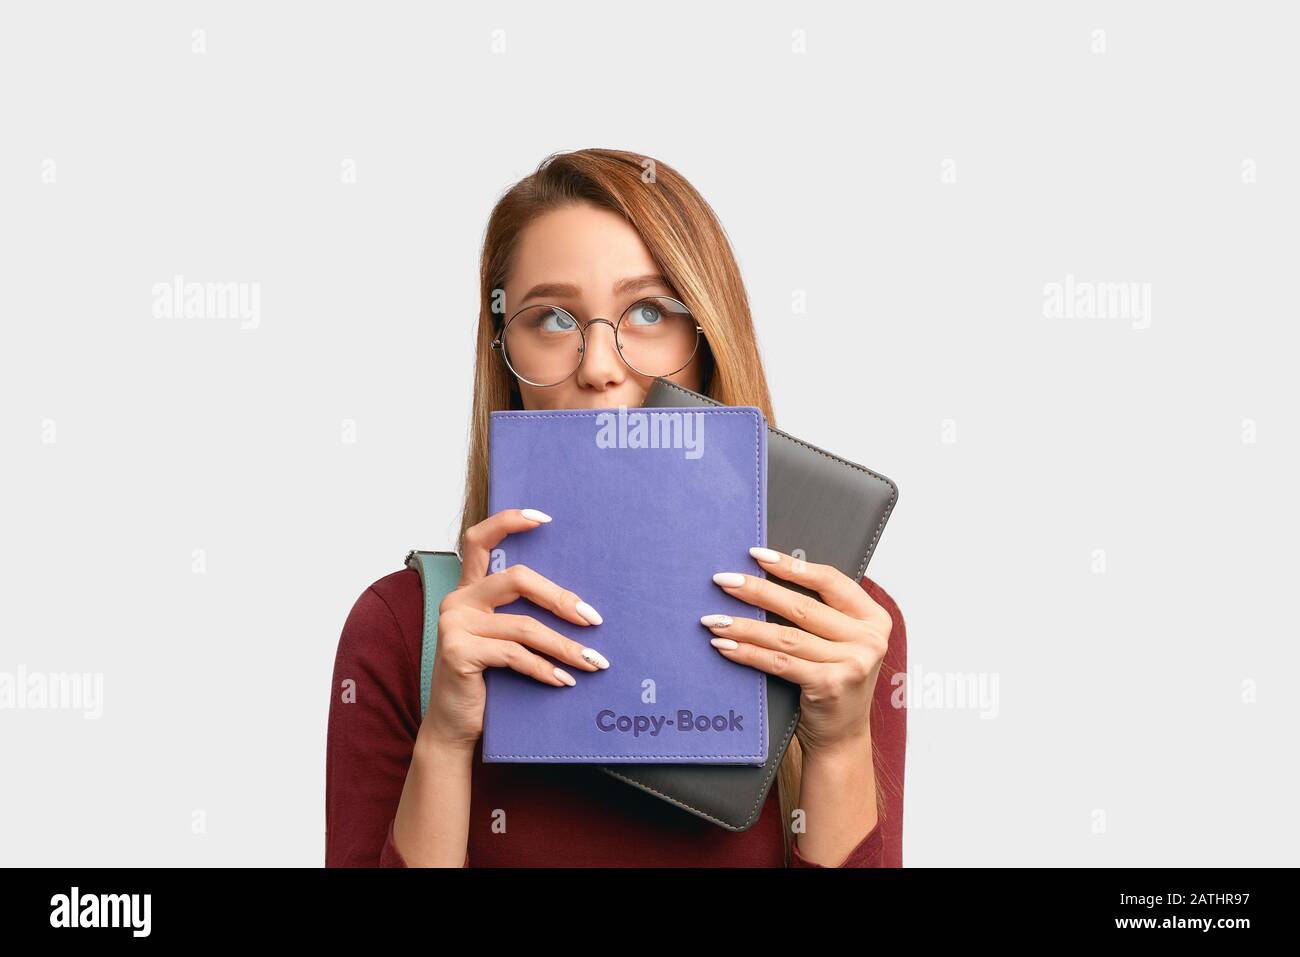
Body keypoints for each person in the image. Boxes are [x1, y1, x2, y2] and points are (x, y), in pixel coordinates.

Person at [325, 148, 907, 867]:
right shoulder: (400, 631)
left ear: (709, 344)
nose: (600, 366)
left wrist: (840, 741)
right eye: (553, 318)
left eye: (650, 311)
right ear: (505, 353)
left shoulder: (836, 625)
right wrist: (445, 740)